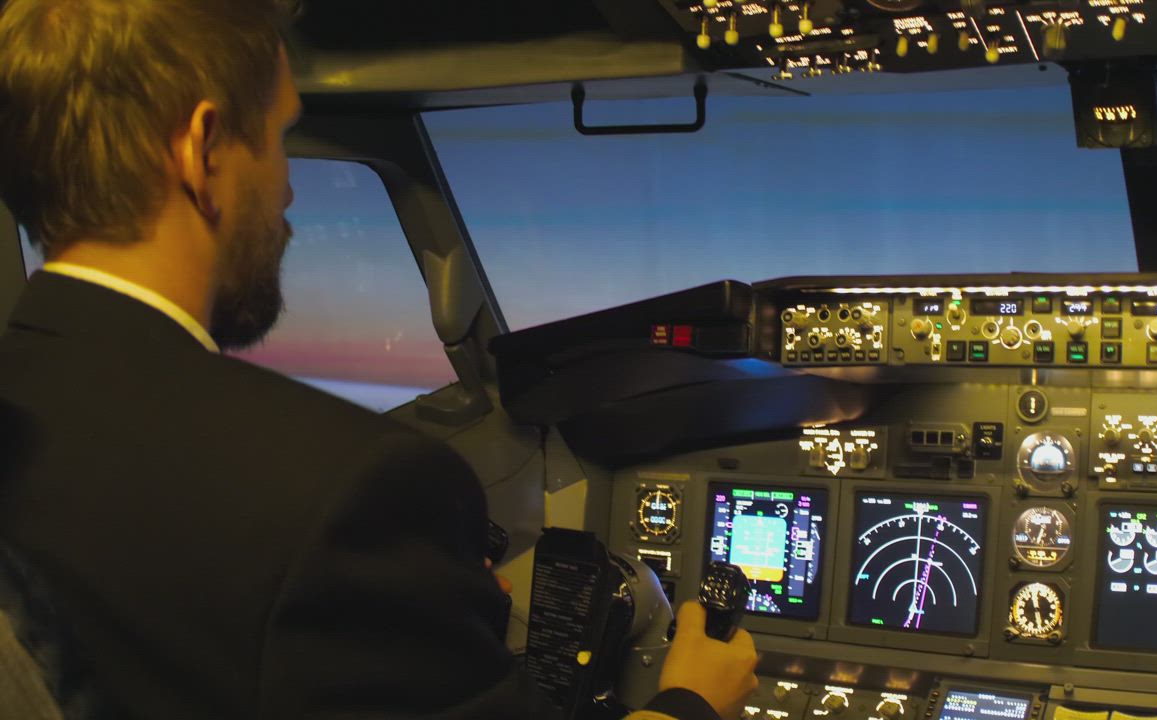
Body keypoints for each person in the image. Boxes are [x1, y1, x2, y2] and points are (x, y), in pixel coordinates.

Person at [0, 1, 759, 718]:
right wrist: (691, 701)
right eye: (276, 140)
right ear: (202, 151)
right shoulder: (343, 491)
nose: (288, 189)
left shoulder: (26, 409)